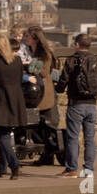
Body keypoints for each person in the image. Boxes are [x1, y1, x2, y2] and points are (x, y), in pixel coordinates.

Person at [55, 33, 97, 179]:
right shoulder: (95, 59)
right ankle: (88, 170)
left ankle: (72, 169)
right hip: (92, 105)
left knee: (73, 138)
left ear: (77, 45)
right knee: (90, 139)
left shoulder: (71, 60)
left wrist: (57, 88)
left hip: (76, 104)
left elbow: (63, 82)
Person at [0, 34, 27, 180]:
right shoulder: (18, 61)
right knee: (5, 134)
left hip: (2, 100)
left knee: (3, 136)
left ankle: (14, 166)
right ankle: (2, 169)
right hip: (16, 100)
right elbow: (20, 78)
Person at [24, 25, 62, 166]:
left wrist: (31, 65)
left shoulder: (44, 53)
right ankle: (46, 156)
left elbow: (44, 72)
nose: (25, 38)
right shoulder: (30, 51)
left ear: (35, 38)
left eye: (27, 36)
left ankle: (49, 155)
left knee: (49, 125)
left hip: (44, 93)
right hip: (33, 92)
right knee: (37, 127)